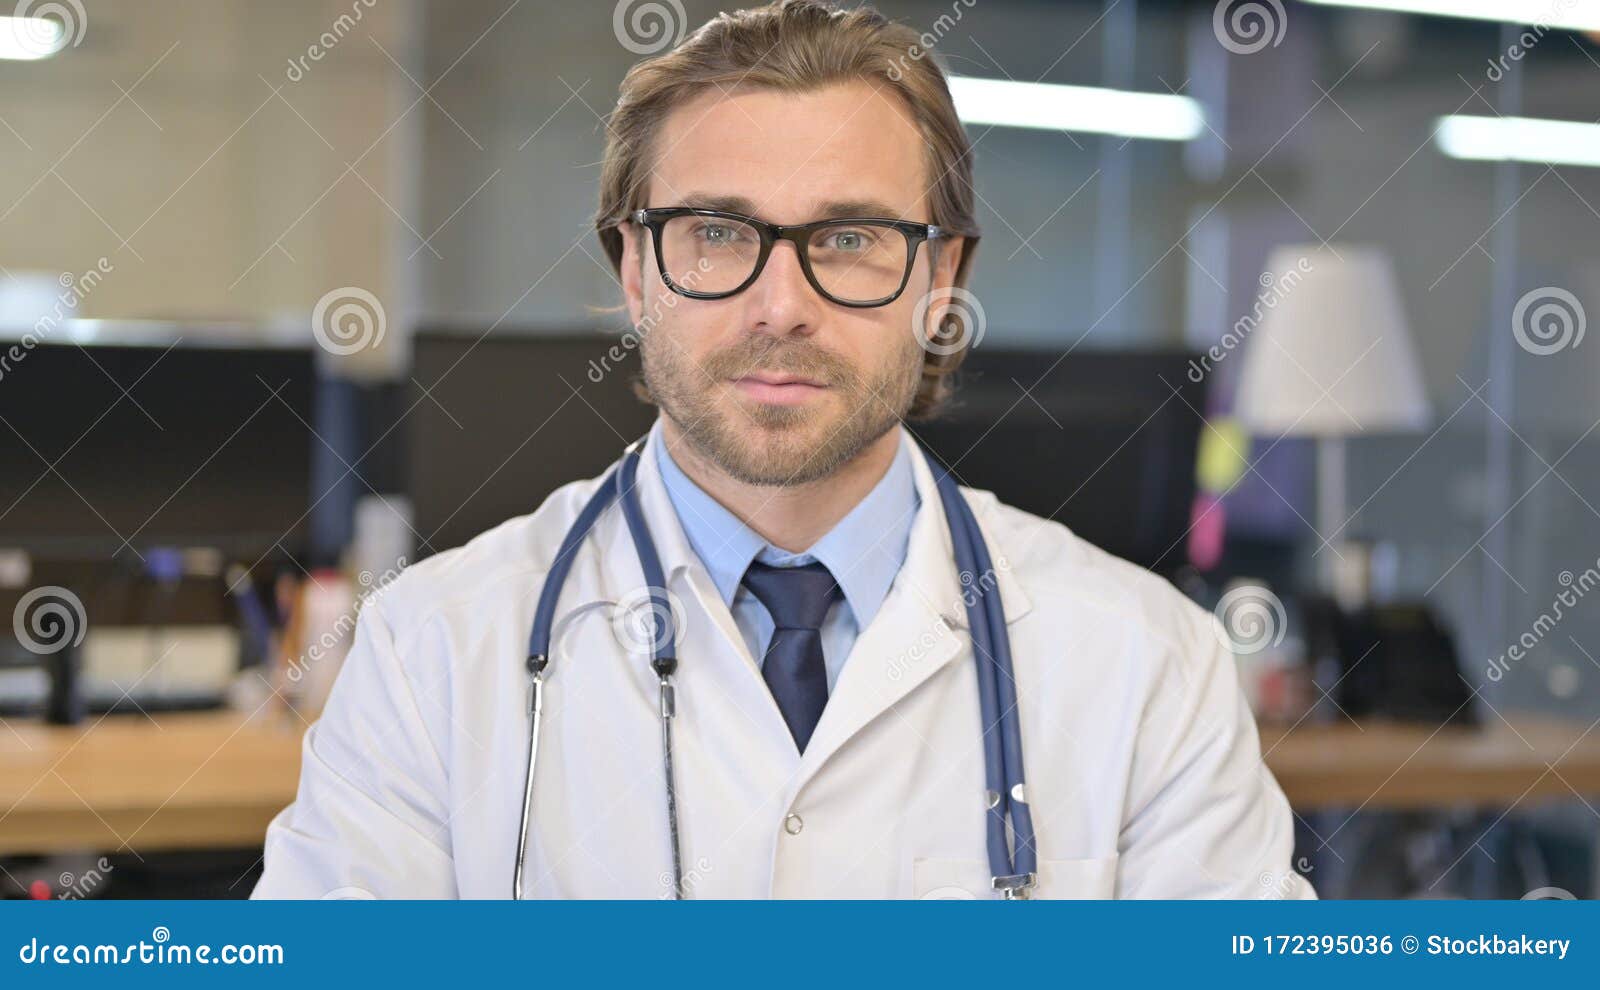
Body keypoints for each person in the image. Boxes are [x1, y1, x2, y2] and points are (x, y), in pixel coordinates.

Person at [254, 0, 1312, 900]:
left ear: (940, 283)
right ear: (634, 271)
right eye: (717, 233)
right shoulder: (432, 649)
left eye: (848, 239)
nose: (780, 306)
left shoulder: (1146, 662)